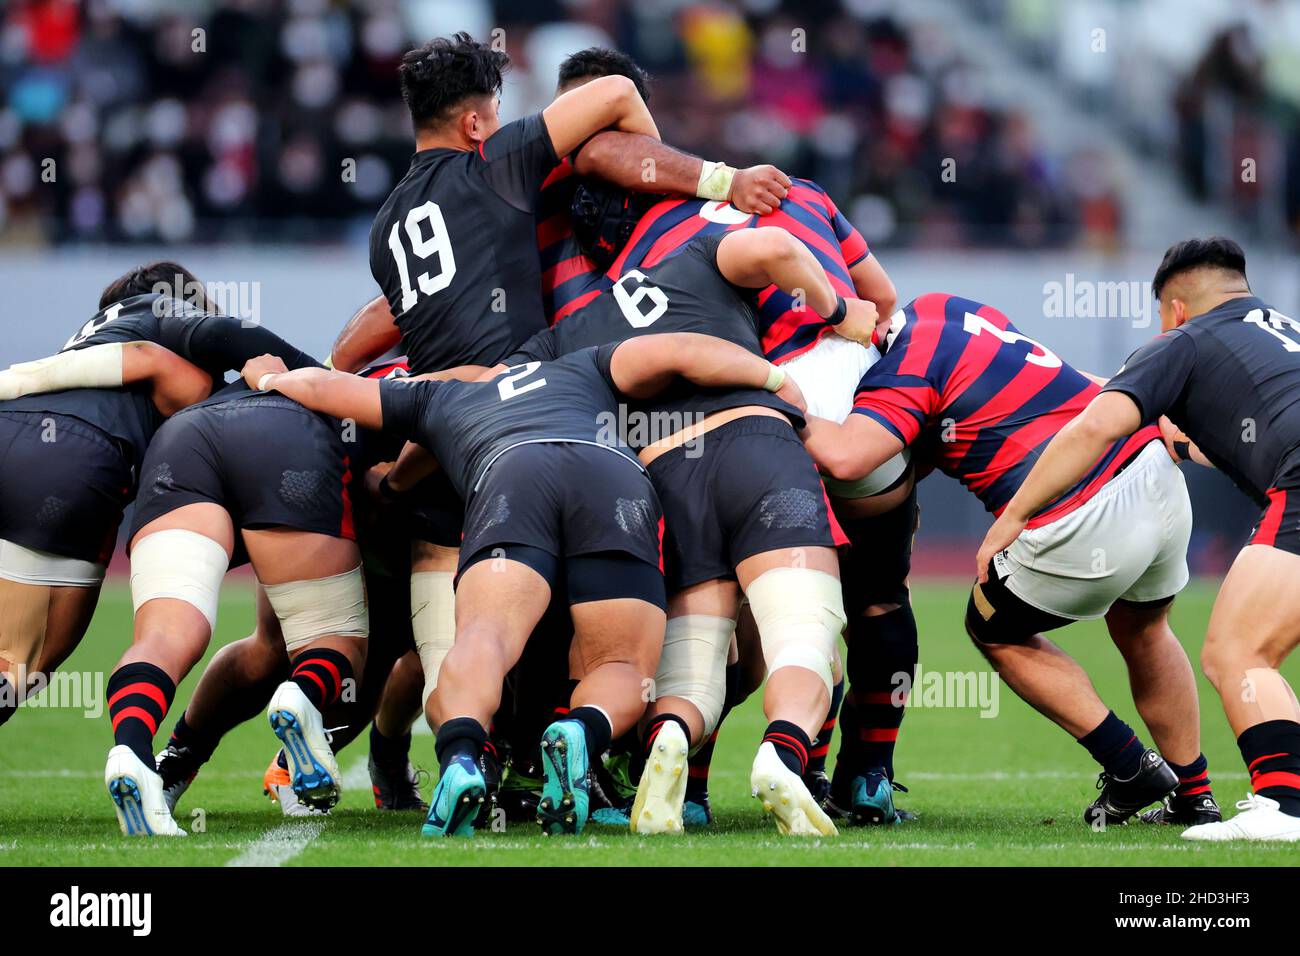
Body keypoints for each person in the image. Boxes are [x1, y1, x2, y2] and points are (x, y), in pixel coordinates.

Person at [239, 328, 806, 837]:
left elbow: (327, 389)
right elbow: (682, 349)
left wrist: (268, 375)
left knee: (485, 639)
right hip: (609, 474)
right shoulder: (579, 366)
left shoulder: (441, 394)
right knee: (621, 668)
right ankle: (581, 733)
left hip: (511, 477)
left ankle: (461, 754)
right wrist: (777, 378)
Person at [803, 291, 1218, 828]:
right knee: (1146, 631)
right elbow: (978, 405)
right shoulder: (948, 307)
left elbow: (847, 455)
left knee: (993, 628)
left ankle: (1129, 764)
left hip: (1079, 506)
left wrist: (780, 399)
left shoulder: (899, 364)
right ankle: (1195, 795)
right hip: (1153, 467)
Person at [504, 227, 853, 836]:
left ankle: (667, 739)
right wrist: (840, 311)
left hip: (662, 474)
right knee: (804, 634)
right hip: (755, 439)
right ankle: (784, 753)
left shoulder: (557, 340)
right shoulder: (694, 256)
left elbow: (488, 391)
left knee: (693, 670)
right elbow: (775, 247)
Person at [979, 238, 1299, 840]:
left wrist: (1015, 513)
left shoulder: (1183, 341)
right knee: (1243, 651)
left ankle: (1285, 805)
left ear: (1175, 308)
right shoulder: (1279, 328)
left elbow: (1096, 425)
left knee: (1237, 652)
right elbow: (1224, 433)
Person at [0, 263, 311, 733]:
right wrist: (322, 378)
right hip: (71, 458)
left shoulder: (92, 342)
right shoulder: (156, 308)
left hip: (25, 440)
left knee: (30, 664)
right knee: (16, 663)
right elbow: (218, 344)